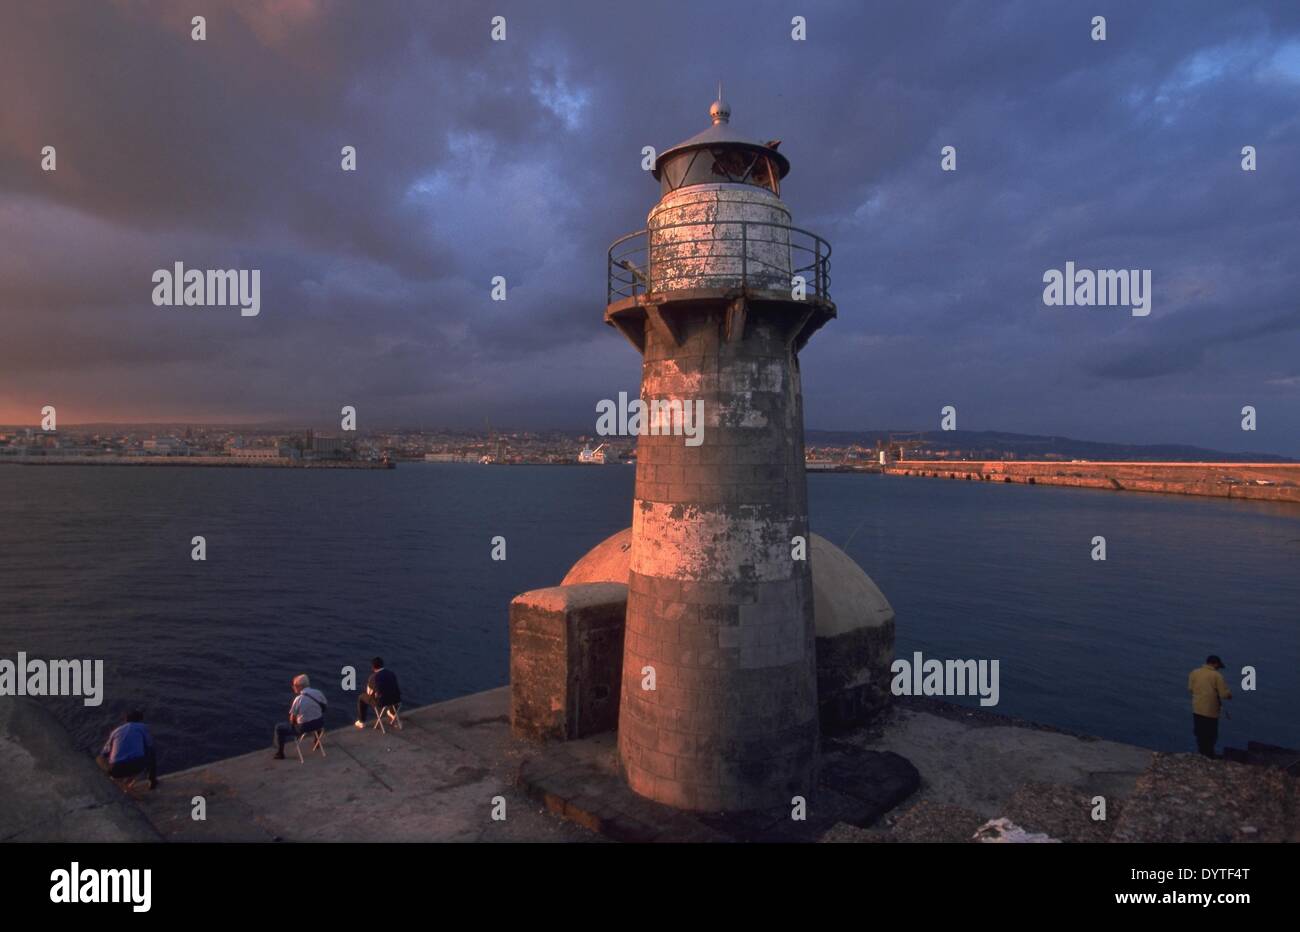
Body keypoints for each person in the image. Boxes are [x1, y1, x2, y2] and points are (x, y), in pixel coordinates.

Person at [97, 709, 157, 789]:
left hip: (115, 770)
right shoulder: (143, 727)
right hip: (136, 766)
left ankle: (111, 783)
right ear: (141, 720)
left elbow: (104, 753)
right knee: (151, 752)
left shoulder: (115, 731)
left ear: (126, 720)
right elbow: (149, 744)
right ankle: (152, 781)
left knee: (104, 758)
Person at [273, 674, 327, 760]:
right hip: (320, 723)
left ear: (299, 687)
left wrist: (294, 725)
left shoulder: (298, 699)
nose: (293, 687)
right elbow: (324, 707)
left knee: (279, 728)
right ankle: (317, 742)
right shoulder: (318, 693)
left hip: (304, 728)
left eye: (294, 686)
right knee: (315, 718)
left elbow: (292, 719)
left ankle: (280, 753)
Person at [1188, 654, 1232, 758]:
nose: (1218, 668)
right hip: (1211, 711)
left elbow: (1190, 689)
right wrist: (1229, 694)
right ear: (1215, 664)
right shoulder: (1217, 676)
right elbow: (1224, 694)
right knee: (1211, 735)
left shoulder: (1194, 672)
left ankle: (1201, 753)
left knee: (1199, 732)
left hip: (1197, 708)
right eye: (1218, 666)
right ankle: (1209, 754)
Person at [354, 656, 401, 728]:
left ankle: (361, 721)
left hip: (382, 703)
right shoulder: (391, 673)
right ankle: (392, 712)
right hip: (396, 700)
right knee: (390, 692)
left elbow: (369, 693)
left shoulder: (373, 677)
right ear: (382, 664)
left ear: (373, 667)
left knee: (361, 697)